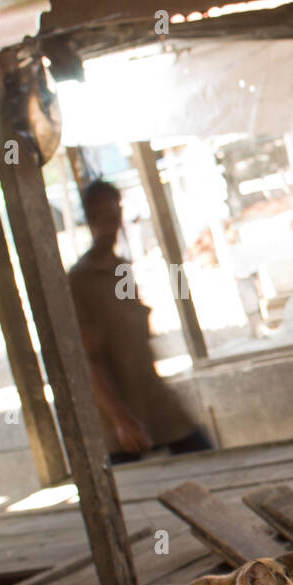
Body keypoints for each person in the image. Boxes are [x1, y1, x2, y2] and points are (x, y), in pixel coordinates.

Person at [69, 179, 213, 465]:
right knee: (132, 488)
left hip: (153, 399)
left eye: (115, 214)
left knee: (206, 458)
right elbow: (89, 360)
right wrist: (120, 419)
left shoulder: (121, 268)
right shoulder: (80, 279)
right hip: (121, 412)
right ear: (90, 220)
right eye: (102, 216)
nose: (111, 224)